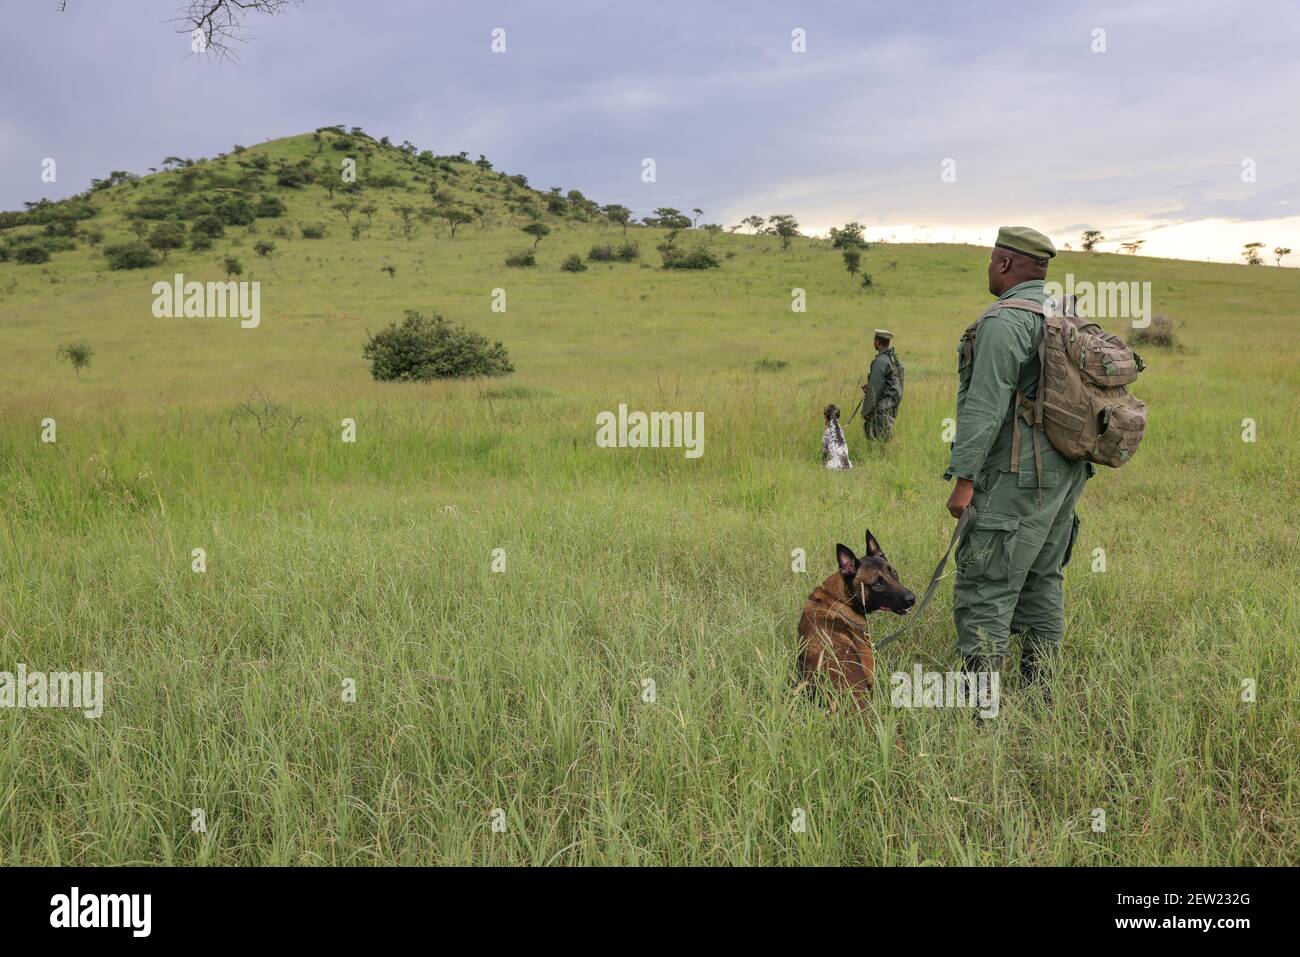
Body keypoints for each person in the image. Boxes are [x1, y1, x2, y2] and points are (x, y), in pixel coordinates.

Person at [943, 227, 1090, 702]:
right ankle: (1040, 695)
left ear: (1005, 264)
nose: (989, 268)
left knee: (987, 581)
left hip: (1019, 474)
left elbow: (984, 406)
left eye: (991, 260)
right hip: (1066, 474)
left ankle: (978, 707)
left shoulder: (1005, 320)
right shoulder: (1063, 313)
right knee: (1044, 577)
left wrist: (964, 480)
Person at [861, 329, 903, 442]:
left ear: (877, 342)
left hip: (881, 408)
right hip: (892, 405)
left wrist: (866, 411)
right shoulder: (894, 359)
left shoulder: (880, 362)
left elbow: (874, 390)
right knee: (885, 437)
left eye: (874, 340)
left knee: (879, 442)